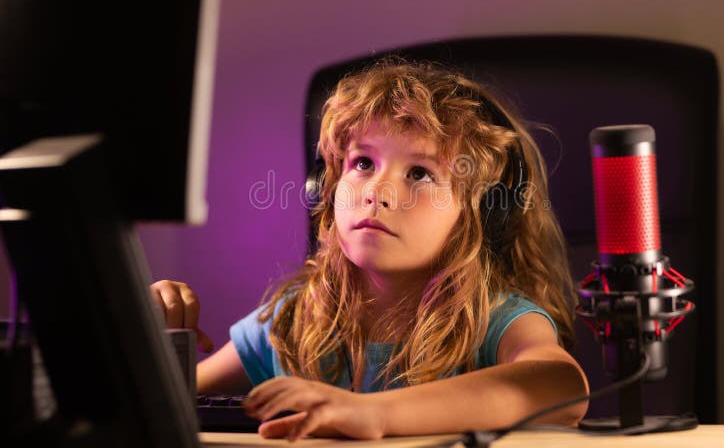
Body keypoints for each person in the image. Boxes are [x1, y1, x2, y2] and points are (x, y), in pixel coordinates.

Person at [151, 59, 589, 441]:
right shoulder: (295, 319)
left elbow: (561, 383)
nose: (376, 192)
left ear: (479, 215)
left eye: (419, 173)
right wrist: (146, 332)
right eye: (363, 163)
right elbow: (161, 395)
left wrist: (373, 413)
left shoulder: (493, 319)